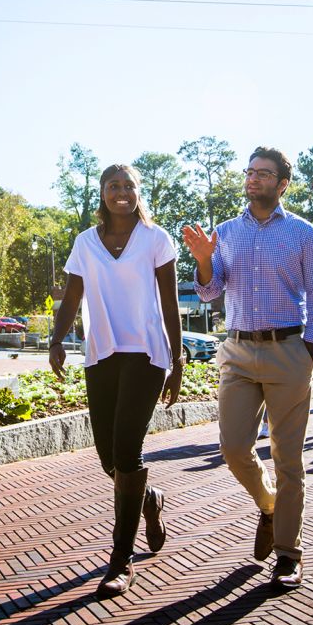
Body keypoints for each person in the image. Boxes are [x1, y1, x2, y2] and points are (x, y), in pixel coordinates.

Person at [183, 146, 313, 592]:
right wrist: (206, 258)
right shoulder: (225, 232)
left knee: (288, 459)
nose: (253, 179)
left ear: (282, 183)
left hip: (288, 350)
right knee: (233, 448)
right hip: (238, 353)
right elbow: (210, 293)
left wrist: (307, 352)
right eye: (250, 172)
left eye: (263, 173)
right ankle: (268, 506)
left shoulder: (306, 235)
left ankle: (288, 553)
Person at [49, 162, 183, 600]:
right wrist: (55, 341)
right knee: (109, 458)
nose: (121, 192)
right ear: (102, 193)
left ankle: (120, 559)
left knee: (128, 448)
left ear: (138, 192)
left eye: (128, 186)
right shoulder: (86, 243)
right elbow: (72, 295)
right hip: (102, 353)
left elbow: (169, 301)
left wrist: (177, 359)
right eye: (113, 186)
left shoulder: (156, 239)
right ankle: (148, 499)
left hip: (146, 354)